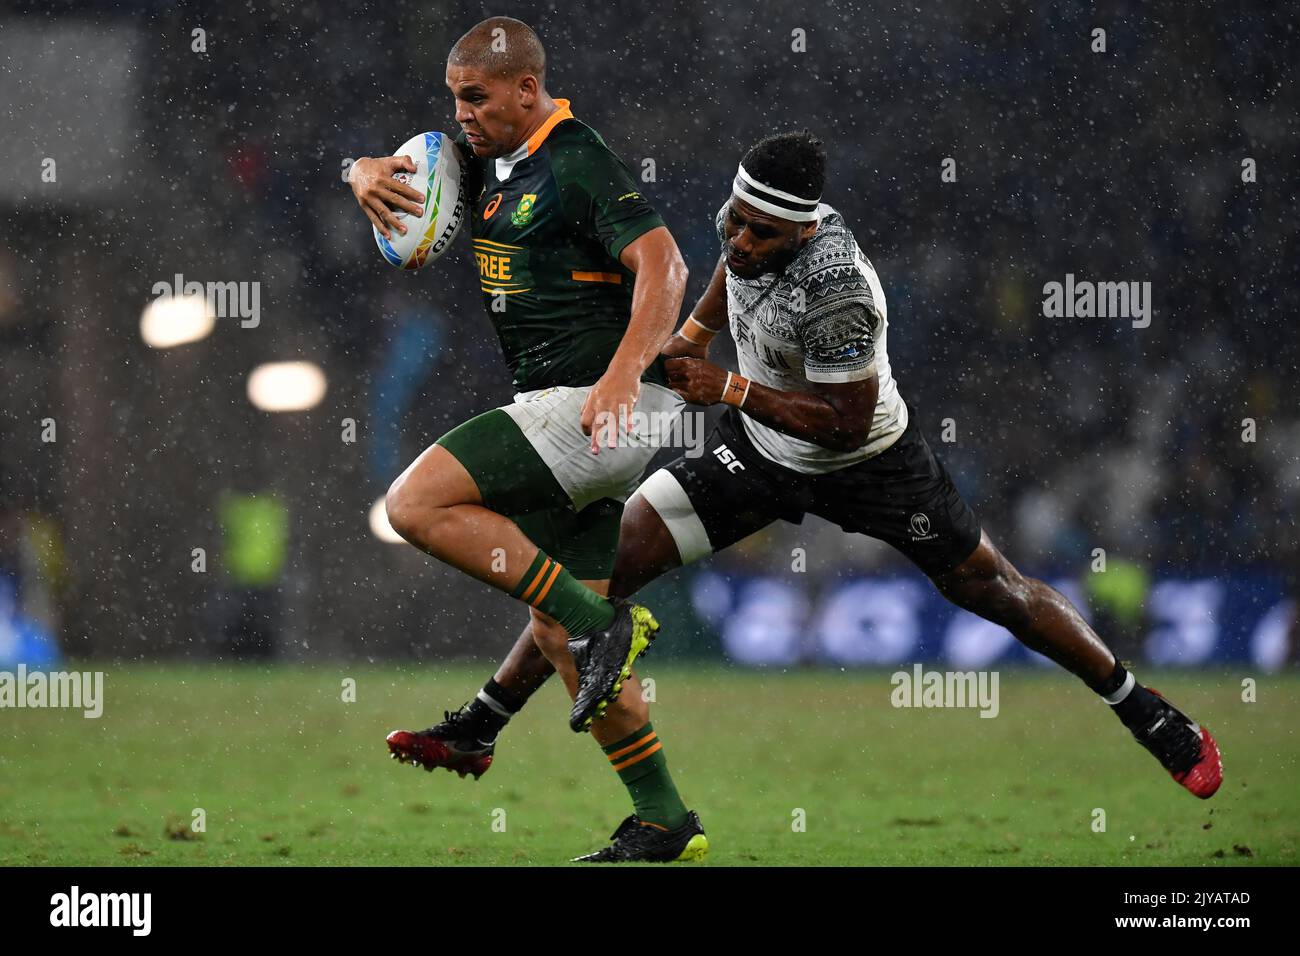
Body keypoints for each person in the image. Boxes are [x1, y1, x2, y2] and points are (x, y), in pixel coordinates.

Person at [400, 129, 1224, 860]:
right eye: (735, 219)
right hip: (758, 454)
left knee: (995, 588)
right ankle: (484, 724)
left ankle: (1144, 709)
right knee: (602, 565)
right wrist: (686, 341)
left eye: (763, 231)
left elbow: (840, 420)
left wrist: (722, 385)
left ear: (805, 227)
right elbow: (728, 275)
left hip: (868, 460)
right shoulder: (746, 230)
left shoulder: (842, 291)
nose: (741, 238)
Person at [346, 17, 706, 863]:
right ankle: (662, 818)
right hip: (585, 417)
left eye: (476, 97)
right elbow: (402, 168)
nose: (460, 114)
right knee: (555, 636)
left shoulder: (575, 157)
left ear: (526, 90)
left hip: (596, 406)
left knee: (414, 504)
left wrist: (624, 372)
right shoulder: (494, 163)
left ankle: (603, 619)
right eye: (453, 98)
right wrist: (359, 170)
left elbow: (667, 266)